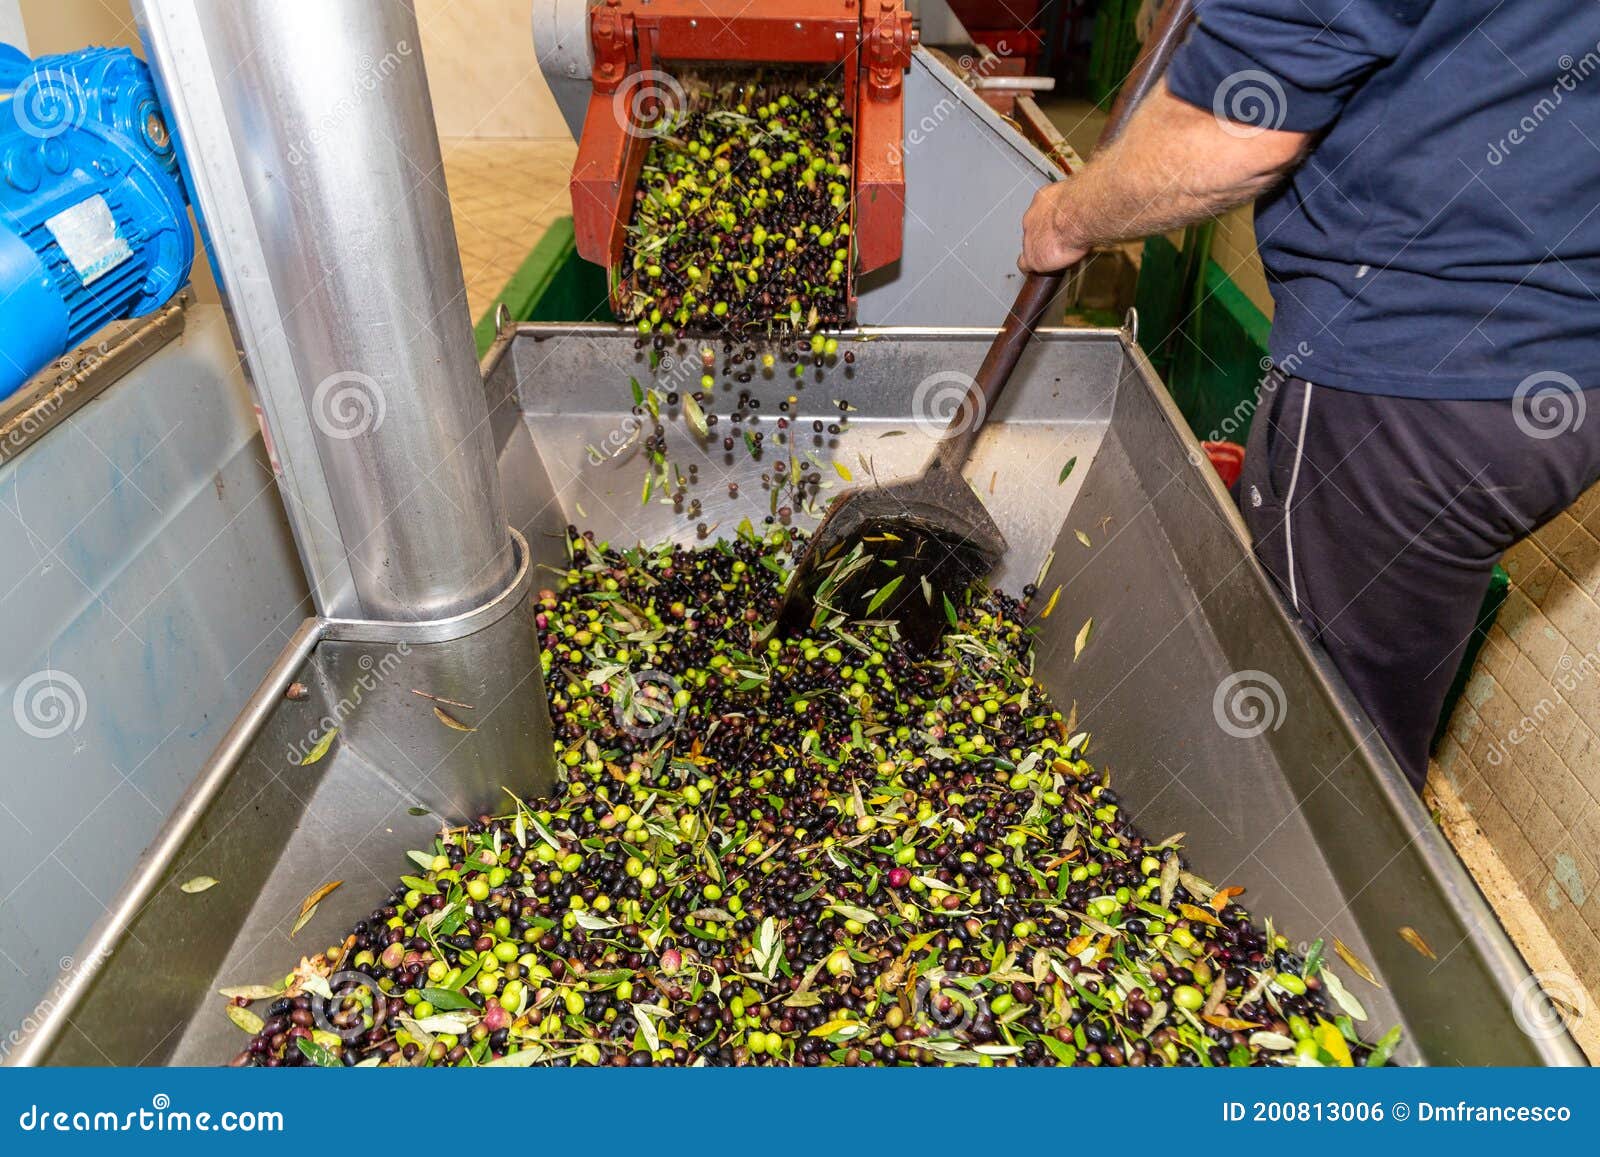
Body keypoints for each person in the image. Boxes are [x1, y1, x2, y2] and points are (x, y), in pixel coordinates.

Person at [1020, 1, 1600, 790]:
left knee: (1313, 751)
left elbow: (1231, 137)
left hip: (1407, 378)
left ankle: (1314, 900)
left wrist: (1065, 215)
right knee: (1364, 706)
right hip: (1562, 366)